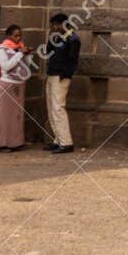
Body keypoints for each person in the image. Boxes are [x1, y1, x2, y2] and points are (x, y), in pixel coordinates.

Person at [0, 24, 30, 151]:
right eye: (16, 35)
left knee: (16, 116)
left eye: (20, 35)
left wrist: (26, 54)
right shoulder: (2, 49)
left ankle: (15, 142)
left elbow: (25, 66)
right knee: (4, 116)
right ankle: (1, 143)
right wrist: (19, 54)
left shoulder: (19, 48)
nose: (18, 38)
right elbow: (5, 66)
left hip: (19, 84)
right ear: (9, 36)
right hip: (7, 84)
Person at [44, 13, 80, 154]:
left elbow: (72, 60)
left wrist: (65, 75)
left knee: (58, 108)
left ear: (62, 24)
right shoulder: (57, 37)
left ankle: (66, 142)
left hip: (61, 77)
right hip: (52, 74)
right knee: (51, 108)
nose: (53, 27)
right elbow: (48, 52)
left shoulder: (73, 39)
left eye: (55, 25)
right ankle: (57, 140)